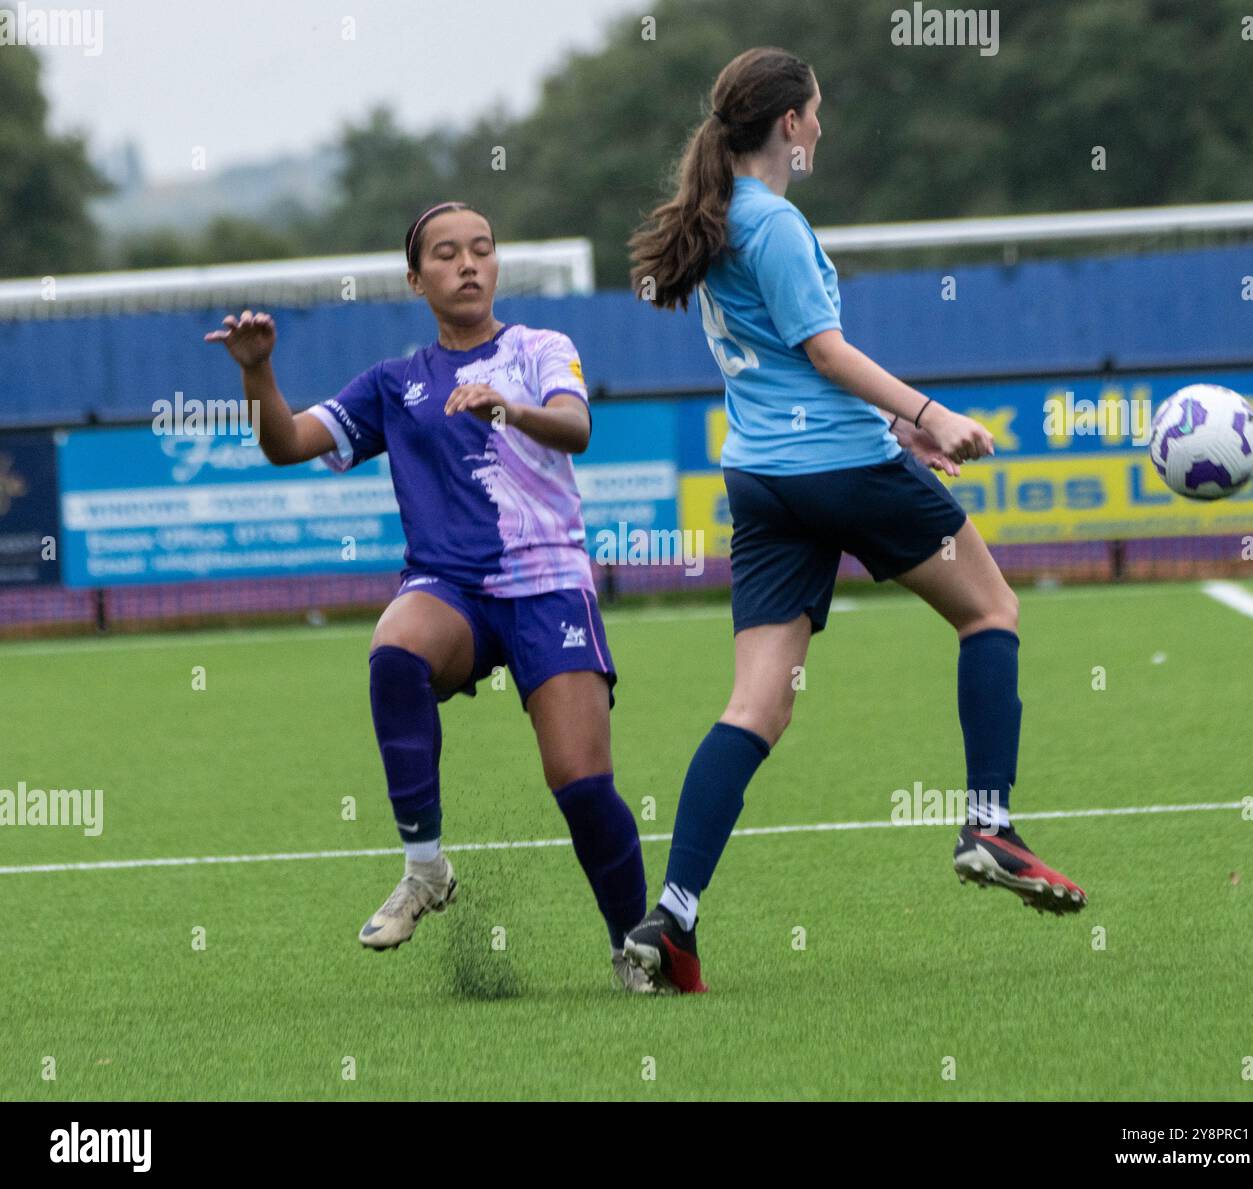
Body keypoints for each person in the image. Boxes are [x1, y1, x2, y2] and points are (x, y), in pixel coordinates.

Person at [622, 48, 1087, 994]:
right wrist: (928, 416)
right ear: (790, 122)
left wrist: (892, 430)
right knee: (991, 611)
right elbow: (827, 354)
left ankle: (671, 919)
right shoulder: (774, 223)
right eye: (818, 111)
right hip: (837, 469)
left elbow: (790, 366)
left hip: (761, 481)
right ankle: (989, 825)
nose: (822, 126)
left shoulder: (716, 225)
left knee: (756, 704)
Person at [205, 201, 652, 992]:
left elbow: (576, 427)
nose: (469, 264)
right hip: (450, 588)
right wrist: (256, 373)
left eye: (481, 249)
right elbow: (286, 445)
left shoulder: (540, 348)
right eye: (446, 255)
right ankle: (425, 868)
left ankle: (634, 950)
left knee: (583, 787)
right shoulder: (395, 383)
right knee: (393, 651)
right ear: (416, 280)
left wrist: (507, 407)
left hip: (548, 586)